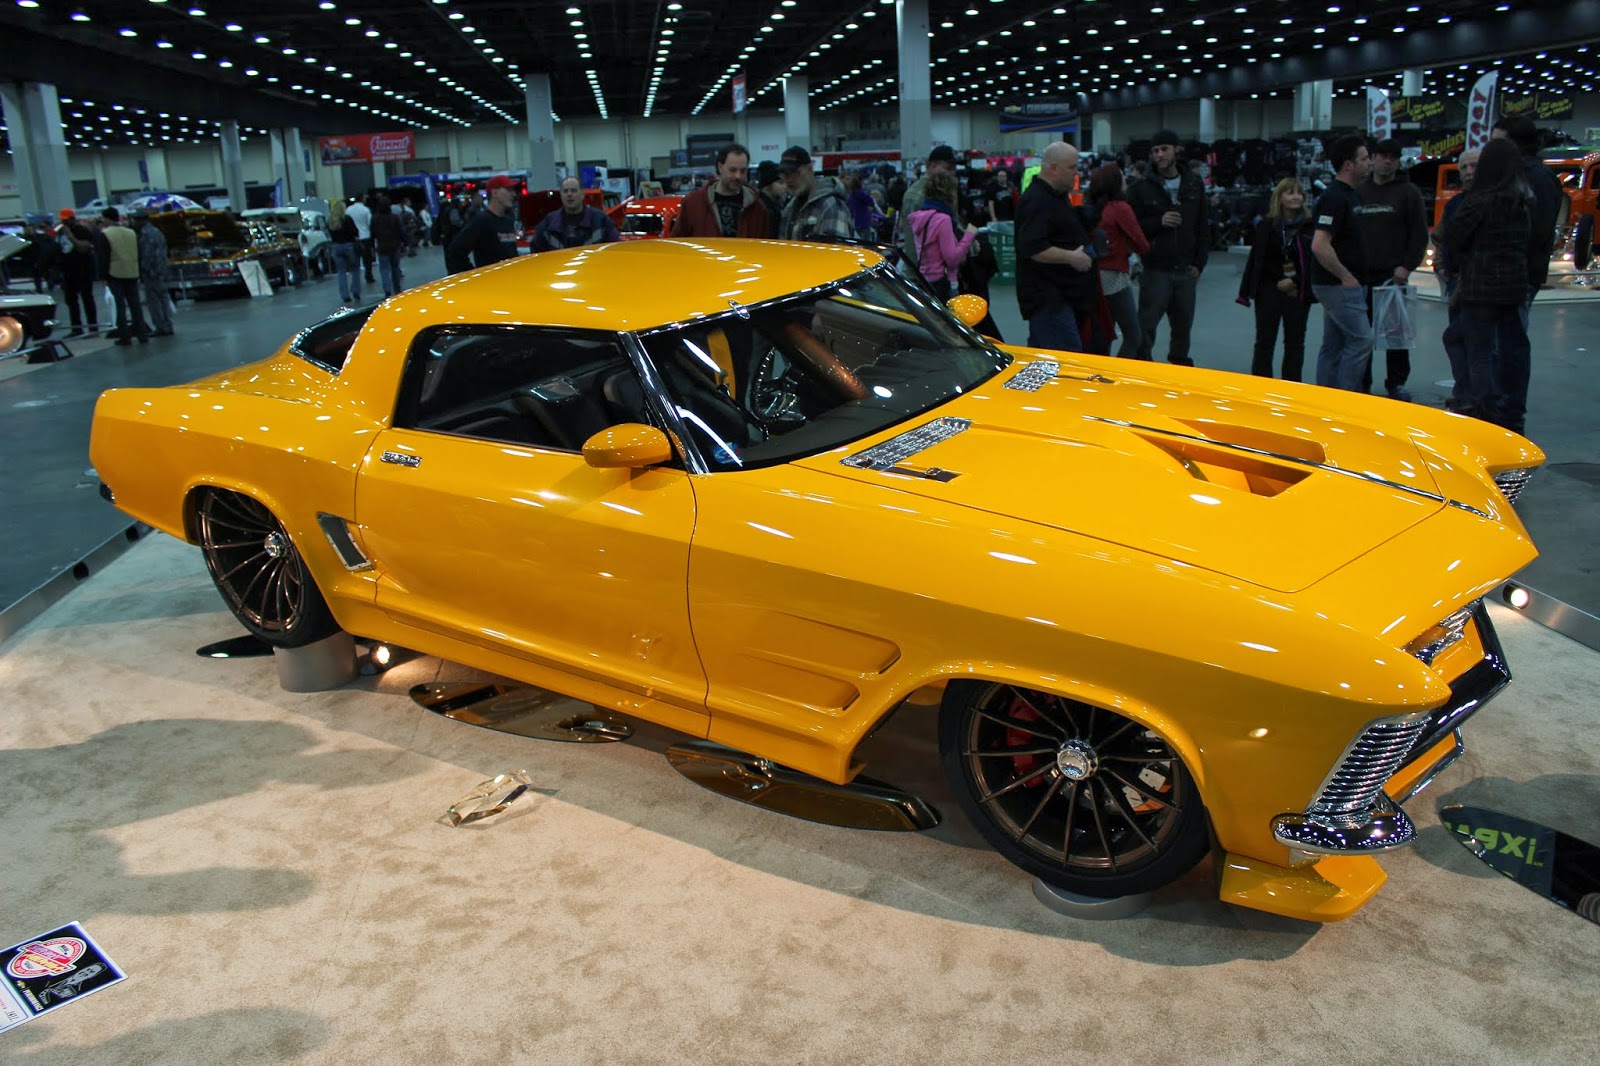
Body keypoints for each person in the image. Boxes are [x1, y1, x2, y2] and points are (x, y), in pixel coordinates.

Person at [1431, 138, 1530, 429]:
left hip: (1478, 289)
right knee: (1511, 352)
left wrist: (1460, 263)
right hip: (1513, 289)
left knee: (1477, 352)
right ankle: (1509, 415)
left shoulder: (1479, 200)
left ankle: (1481, 413)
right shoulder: (1521, 199)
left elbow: (1454, 237)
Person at [1490, 115, 1566, 434]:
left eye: (1497, 140)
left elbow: (1533, 233)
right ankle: (1500, 409)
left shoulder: (1536, 178)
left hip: (1517, 276)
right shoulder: (1519, 174)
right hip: (1504, 274)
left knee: (1510, 345)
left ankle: (1509, 416)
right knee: (1498, 344)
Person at [1128, 130, 1209, 365]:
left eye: (1164, 149)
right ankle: (1144, 375)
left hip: (1186, 270)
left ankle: (1179, 373)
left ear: (1177, 150)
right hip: (1155, 270)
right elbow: (1132, 229)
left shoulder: (1194, 183)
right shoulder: (1140, 188)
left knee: (1183, 331)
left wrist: (1198, 264)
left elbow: (1203, 226)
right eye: (1155, 151)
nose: (1159, 155)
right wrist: (1158, 222)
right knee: (1146, 329)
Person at [1357, 139, 1428, 400]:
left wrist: (1407, 267)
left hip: (1394, 278)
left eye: (1393, 157)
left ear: (1398, 161)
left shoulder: (1409, 193)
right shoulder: (1359, 192)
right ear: (1373, 159)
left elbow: (1420, 235)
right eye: (1383, 156)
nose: (1387, 161)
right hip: (1361, 277)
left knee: (1396, 337)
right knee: (1361, 335)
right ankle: (1361, 382)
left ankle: (1396, 383)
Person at [1014, 141, 1096, 351]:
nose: (1076, 173)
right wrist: (1071, 257)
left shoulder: (1056, 197)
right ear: (1053, 168)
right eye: (1072, 168)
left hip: (1061, 298)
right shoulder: (1037, 200)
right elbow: (1032, 247)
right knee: (1065, 365)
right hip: (1049, 300)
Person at [1309, 134, 1374, 392]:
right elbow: (1319, 244)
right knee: (1361, 340)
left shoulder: (1350, 196)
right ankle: (1346, 399)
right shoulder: (1335, 198)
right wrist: (1346, 277)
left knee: (1334, 343)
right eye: (1365, 158)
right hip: (1339, 285)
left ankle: (1328, 397)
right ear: (1349, 164)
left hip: (1340, 284)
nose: (1370, 163)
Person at [1237, 178, 1315, 381]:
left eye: (1299, 193)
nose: (1296, 196)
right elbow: (1256, 259)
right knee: (1264, 341)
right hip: (1268, 290)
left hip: (1298, 290)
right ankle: (1261, 387)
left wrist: (1296, 282)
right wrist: (1246, 292)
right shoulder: (1267, 225)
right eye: (1290, 192)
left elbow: (1314, 261)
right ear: (1279, 198)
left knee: (1295, 343)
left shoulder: (1310, 227)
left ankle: (1291, 388)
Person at [1084, 163, 1149, 359]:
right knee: (1133, 336)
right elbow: (1142, 244)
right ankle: (1118, 374)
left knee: (1102, 335)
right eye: (1121, 177)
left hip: (1093, 277)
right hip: (1115, 277)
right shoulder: (1120, 208)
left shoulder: (1090, 208)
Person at [1434, 149, 1478, 413]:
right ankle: (1464, 394)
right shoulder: (1454, 205)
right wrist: (1440, 266)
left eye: (1474, 166)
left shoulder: (1490, 202)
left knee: (1475, 345)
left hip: (1480, 287)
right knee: (1457, 340)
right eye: (1464, 168)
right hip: (1456, 284)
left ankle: (1473, 399)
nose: (1469, 172)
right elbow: (1440, 237)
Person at [672, 143, 768, 239]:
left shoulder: (757, 207)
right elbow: (677, 241)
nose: (738, 176)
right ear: (720, 167)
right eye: (732, 170)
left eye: (743, 171)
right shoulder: (693, 203)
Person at [908, 171, 978, 300]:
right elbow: (952, 259)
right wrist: (969, 235)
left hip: (925, 281)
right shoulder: (943, 219)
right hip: (944, 282)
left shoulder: (919, 217)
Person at [897, 145, 959, 265]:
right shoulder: (916, 195)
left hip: (944, 266)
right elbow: (912, 239)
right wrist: (916, 274)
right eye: (948, 168)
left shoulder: (945, 190)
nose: (952, 173)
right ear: (933, 166)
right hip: (926, 272)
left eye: (954, 168)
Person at [777, 147, 853, 242]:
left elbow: (835, 253)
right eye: (784, 174)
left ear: (809, 169)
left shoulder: (831, 205)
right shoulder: (790, 207)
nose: (789, 179)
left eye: (795, 173)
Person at [448, 175, 524, 270]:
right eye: (508, 190)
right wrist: (474, 275)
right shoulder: (481, 221)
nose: (513, 194)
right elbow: (456, 251)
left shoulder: (508, 221)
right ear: (495, 192)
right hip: (492, 282)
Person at [100, 208, 149, 345]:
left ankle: (124, 336)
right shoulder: (131, 232)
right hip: (132, 271)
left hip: (115, 272)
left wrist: (103, 276)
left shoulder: (106, 234)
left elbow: (103, 256)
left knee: (120, 305)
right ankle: (141, 334)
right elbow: (138, 253)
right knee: (135, 305)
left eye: (103, 218)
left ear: (108, 219)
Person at [531, 177, 620, 251]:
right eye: (565, 191)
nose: (569, 194)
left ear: (582, 194)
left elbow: (616, 250)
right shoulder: (548, 224)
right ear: (561, 195)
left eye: (573, 191)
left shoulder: (600, 221)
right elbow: (535, 256)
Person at [54, 208, 99, 337]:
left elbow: (84, 248)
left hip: (83, 269)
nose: (64, 222)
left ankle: (93, 328)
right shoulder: (60, 232)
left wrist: (71, 237)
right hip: (68, 271)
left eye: (66, 220)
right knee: (71, 300)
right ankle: (76, 328)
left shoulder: (82, 231)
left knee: (87, 298)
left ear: (73, 219)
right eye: (62, 220)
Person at [135, 213, 174, 337]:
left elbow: (147, 255)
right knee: (164, 299)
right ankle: (168, 325)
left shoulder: (145, 234)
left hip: (152, 273)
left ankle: (160, 326)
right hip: (162, 271)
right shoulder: (158, 232)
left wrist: (143, 271)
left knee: (154, 301)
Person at [369, 193, 405, 297]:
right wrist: (405, 242)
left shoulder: (375, 218)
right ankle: (397, 288)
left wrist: (372, 246)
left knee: (384, 269)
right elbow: (400, 231)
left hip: (382, 246)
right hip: (394, 246)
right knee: (395, 267)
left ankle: (387, 289)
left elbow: (372, 234)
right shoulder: (394, 217)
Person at [328, 199, 362, 303]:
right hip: (349, 246)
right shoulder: (347, 219)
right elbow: (355, 232)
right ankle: (356, 291)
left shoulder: (331, 221)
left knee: (341, 272)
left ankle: (345, 295)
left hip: (336, 247)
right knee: (355, 269)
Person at [345, 194, 375, 284]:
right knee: (367, 259)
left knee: (355, 260)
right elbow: (370, 223)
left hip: (353, 237)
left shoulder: (348, 210)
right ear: (362, 199)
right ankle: (368, 275)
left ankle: (356, 279)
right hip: (365, 236)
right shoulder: (365, 210)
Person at [846, 172, 884, 241]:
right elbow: (871, 202)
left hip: (854, 221)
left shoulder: (850, 195)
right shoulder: (862, 193)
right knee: (866, 241)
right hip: (864, 220)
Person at [753, 161, 787, 238]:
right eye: (780, 182)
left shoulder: (774, 206)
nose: (785, 186)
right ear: (767, 185)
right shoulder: (765, 210)